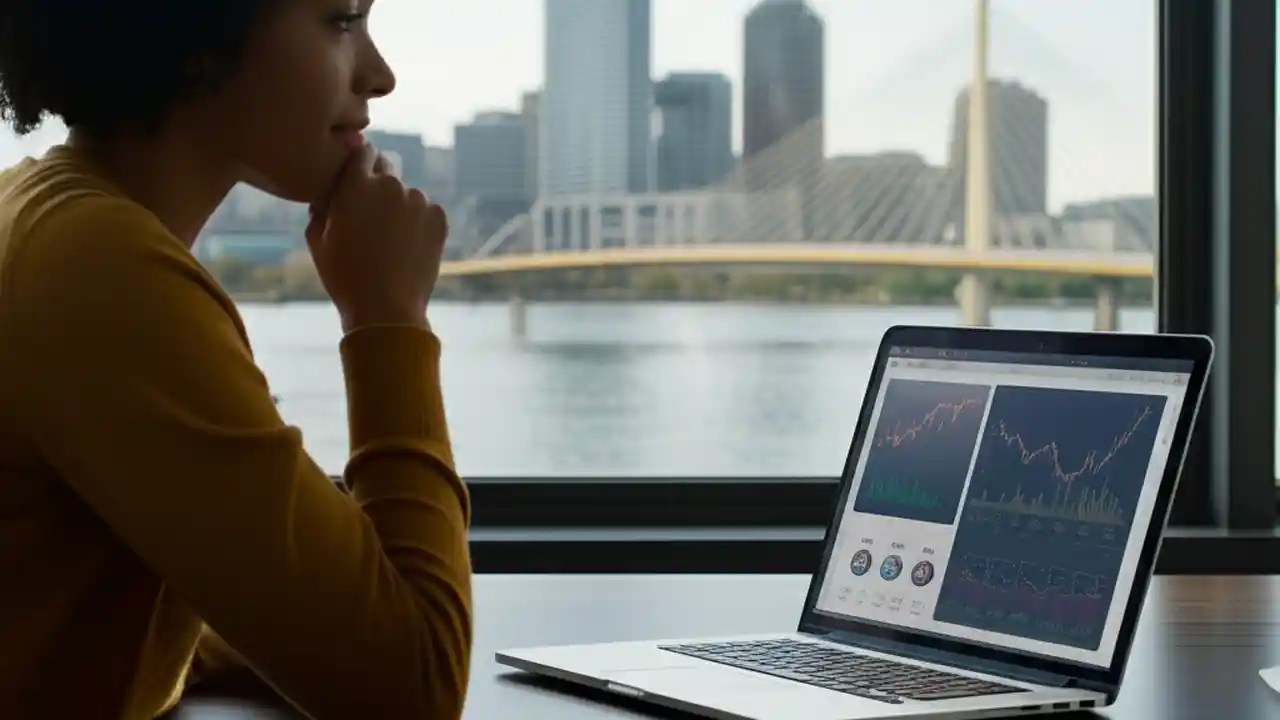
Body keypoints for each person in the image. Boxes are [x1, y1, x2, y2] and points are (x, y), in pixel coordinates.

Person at [0, 0, 471, 718]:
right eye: (341, 21)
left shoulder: (39, 214)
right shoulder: (105, 273)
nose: (381, 76)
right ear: (198, 37)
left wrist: (274, 625)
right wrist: (387, 316)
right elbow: (413, 689)